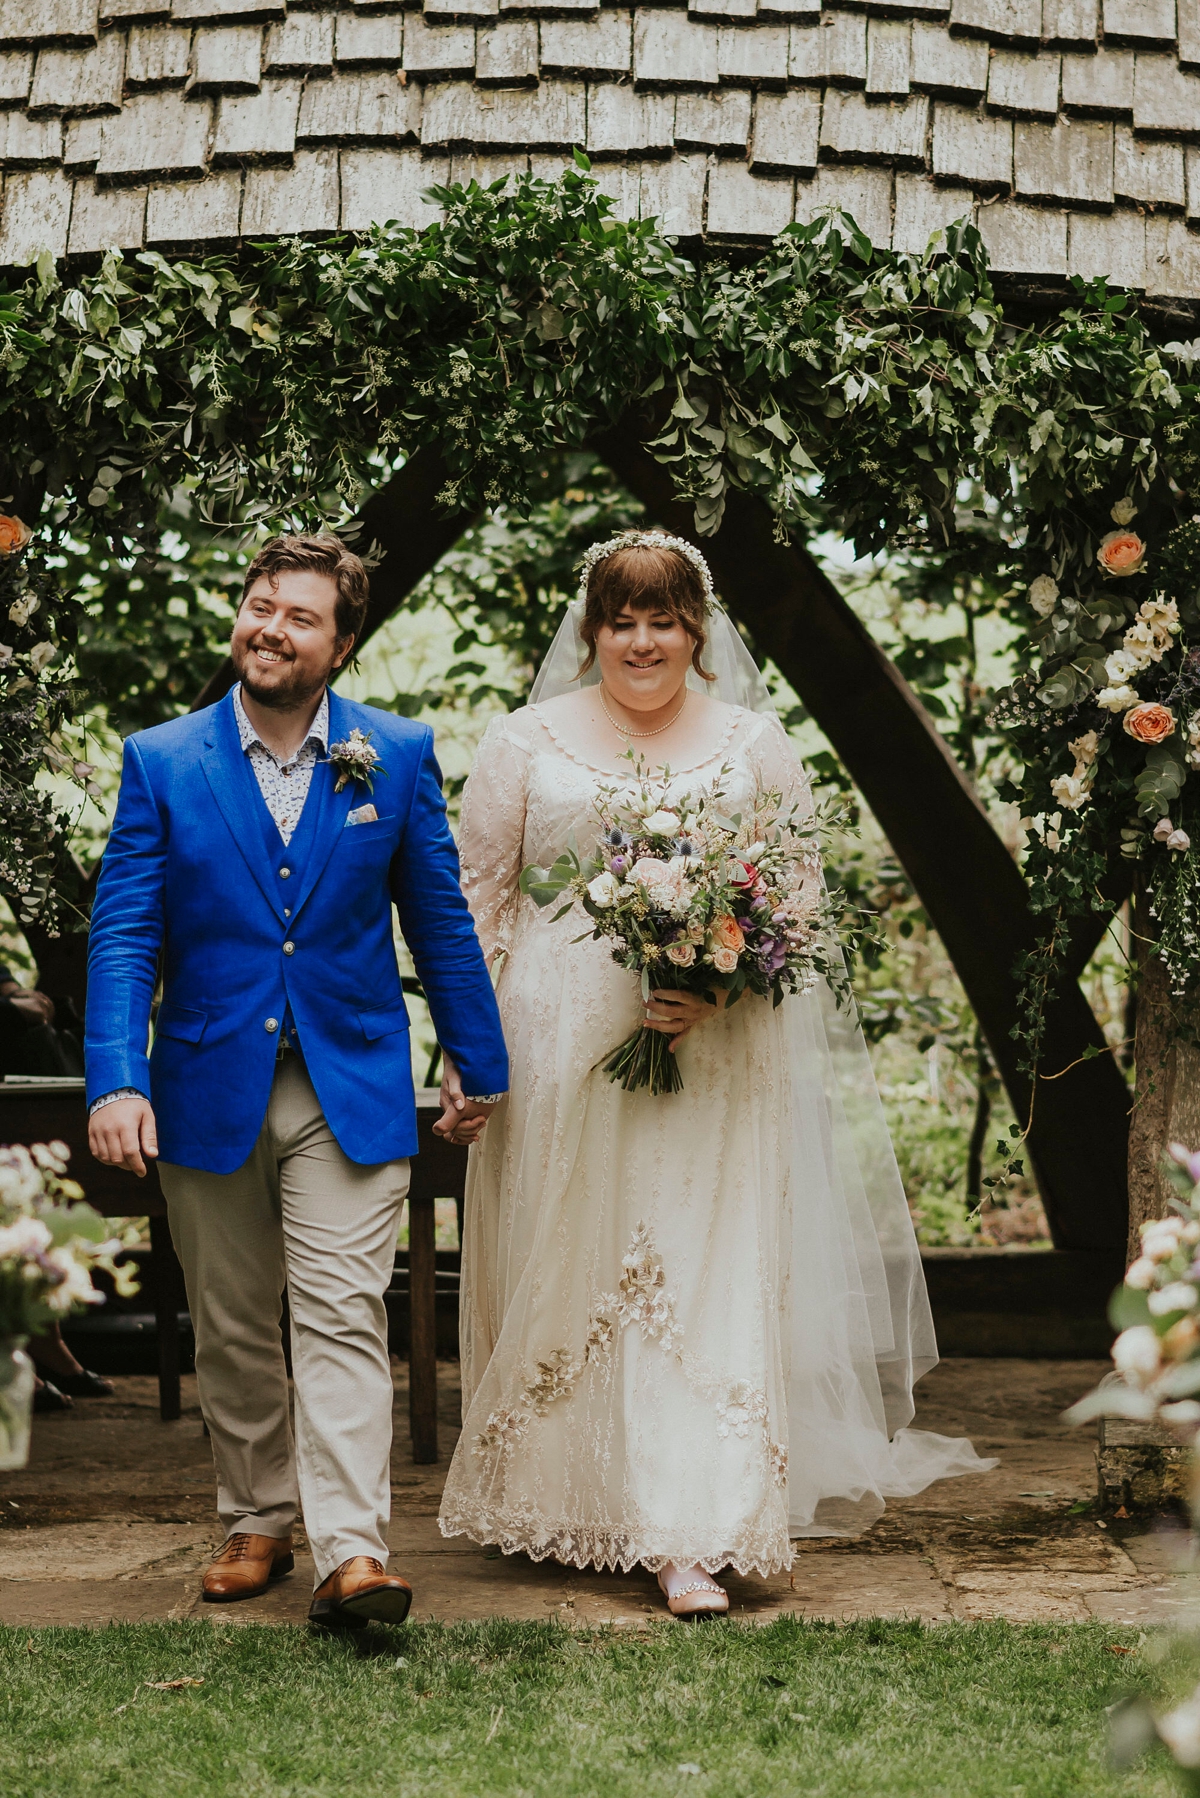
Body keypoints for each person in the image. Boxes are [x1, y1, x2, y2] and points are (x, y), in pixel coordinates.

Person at [437, 531, 994, 1618]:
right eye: (622, 619)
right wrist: (472, 1055)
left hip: (714, 1050)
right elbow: (479, 907)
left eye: (665, 619)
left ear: (698, 629)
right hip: (559, 1050)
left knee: (695, 1263)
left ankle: (689, 1522)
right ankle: (578, 1495)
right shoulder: (521, 739)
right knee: (574, 1251)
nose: (643, 641)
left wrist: (718, 984)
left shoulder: (754, 742)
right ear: (592, 629)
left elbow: (795, 908)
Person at [85, 533, 507, 1629]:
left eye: (299, 615)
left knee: (340, 1312)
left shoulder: (397, 753)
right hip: (202, 1082)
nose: (269, 627)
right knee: (230, 1320)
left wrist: (478, 1058)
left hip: (347, 1080)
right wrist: (115, 1080)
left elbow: (441, 919)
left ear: (342, 643)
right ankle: (258, 1516)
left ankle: (355, 1552)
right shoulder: (163, 758)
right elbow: (126, 933)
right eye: (259, 606)